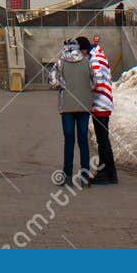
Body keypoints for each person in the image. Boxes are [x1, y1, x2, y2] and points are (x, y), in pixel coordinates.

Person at [77, 35, 117, 184]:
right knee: (103, 139)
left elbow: (97, 83)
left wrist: (84, 90)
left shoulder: (94, 61)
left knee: (102, 141)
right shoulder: (99, 56)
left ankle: (105, 174)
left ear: (84, 50)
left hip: (100, 104)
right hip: (104, 103)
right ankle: (110, 174)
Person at [54, 39, 92, 186]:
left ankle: (67, 175)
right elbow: (93, 82)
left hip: (67, 107)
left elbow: (53, 82)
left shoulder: (60, 63)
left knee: (69, 140)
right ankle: (85, 176)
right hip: (84, 106)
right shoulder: (87, 62)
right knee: (83, 140)